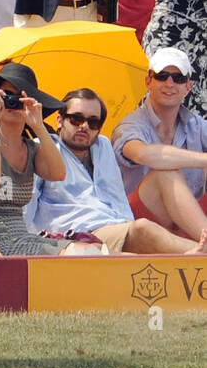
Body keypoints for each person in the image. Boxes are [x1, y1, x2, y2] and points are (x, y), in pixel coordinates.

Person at [27, 87, 207, 253]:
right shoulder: (42, 149)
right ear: (60, 121)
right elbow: (28, 204)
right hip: (78, 233)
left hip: (116, 225)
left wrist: (127, 226)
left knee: (166, 175)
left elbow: (117, 197)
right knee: (142, 228)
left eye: (93, 122)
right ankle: (200, 253)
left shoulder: (103, 146)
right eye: (76, 119)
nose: (84, 126)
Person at [0, 62, 74, 255]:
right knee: (68, 255)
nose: (13, 102)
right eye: (7, 95)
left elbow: (59, 174)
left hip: (20, 236)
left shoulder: (31, 148)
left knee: (88, 251)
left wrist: (39, 126)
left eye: (20, 97)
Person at [113, 47, 207, 238]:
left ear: (188, 87)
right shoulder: (131, 124)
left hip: (189, 220)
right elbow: (142, 154)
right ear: (148, 81)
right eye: (162, 76)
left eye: (178, 78)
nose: (169, 83)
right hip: (139, 220)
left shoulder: (196, 124)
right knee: (166, 173)